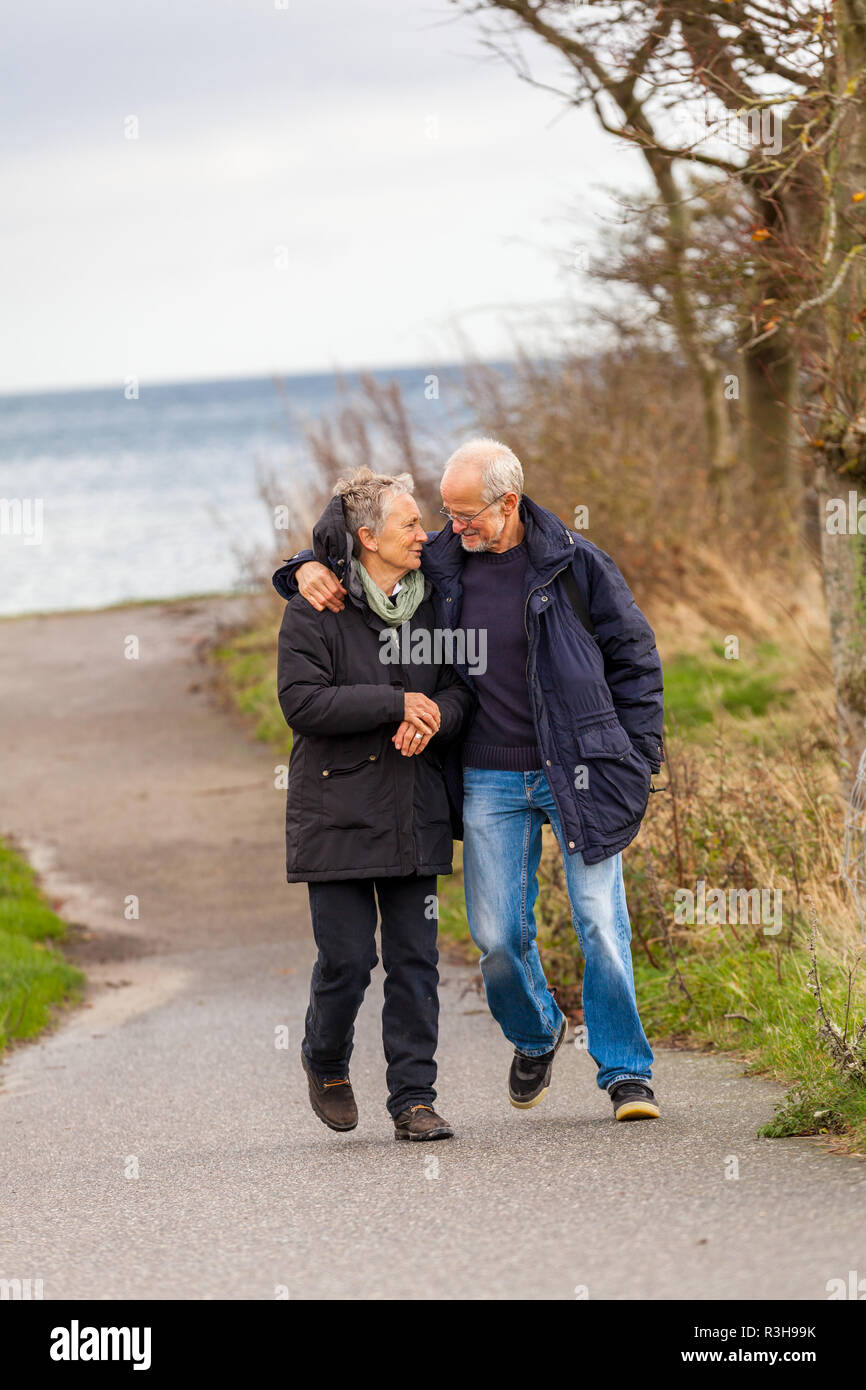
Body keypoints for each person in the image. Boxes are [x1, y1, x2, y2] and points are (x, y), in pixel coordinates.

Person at [281, 438, 665, 1123]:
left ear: (507, 502)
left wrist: (639, 754)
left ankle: (626, 1074)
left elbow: (634, 656)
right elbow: (356, 542)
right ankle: (537, 1032)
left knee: (601, 923)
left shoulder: (577, 565)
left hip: (578, 768)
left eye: (463, 514)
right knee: (493, 937)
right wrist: (303, 567)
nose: (445, 528)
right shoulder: (446, 565)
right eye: (443, 515)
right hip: (489, 774)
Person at [274, 467, 473, 1141]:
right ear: (368, 537)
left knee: (416, 960)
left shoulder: (434, 604)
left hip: (415, 811)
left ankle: (413, 1099)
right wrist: (394, 703)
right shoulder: (315, 606)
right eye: (411, 524)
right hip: (336, 816)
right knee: (348, 960)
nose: (426, 534)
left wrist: (434, 717)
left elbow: (458, 689)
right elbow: (301, 703)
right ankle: (325, 1061)